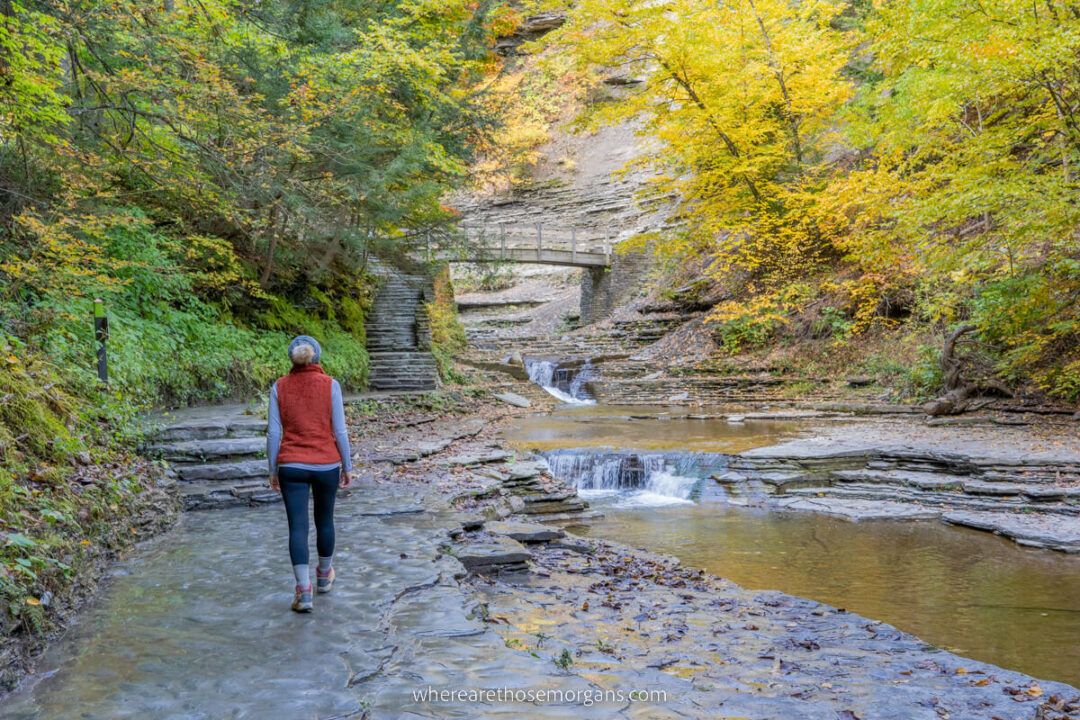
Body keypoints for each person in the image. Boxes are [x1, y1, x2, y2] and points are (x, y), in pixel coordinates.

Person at [267, 335, 353, 613]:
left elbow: (273, 433)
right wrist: (347, 465)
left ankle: (304, 592)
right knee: (325, 520)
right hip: (327, 463)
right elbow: (339, 430)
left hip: (291, 465)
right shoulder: (331, 385)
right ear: (318, 357)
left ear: (291, 358)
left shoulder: (280, 386)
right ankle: (324, 576)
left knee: (298, 527)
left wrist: (272, 469)